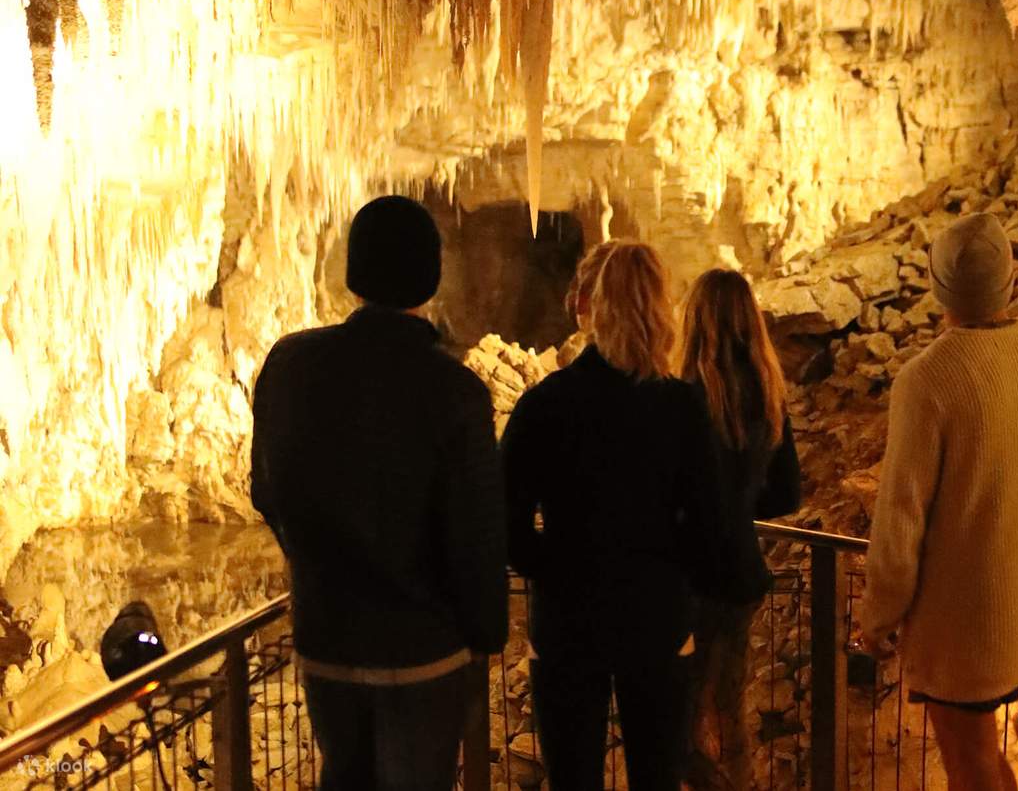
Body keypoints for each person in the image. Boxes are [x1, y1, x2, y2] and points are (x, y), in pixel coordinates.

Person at [251, 195, 508, 791]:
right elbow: (475, 533)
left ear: (354, 272)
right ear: (431, 276)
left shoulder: (291, 366)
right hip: (424, 653)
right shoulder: (455, 391)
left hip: (327, 643)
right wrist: (486, 633)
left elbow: (268, 491)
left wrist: (318, 567)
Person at [857, 212, 1018, 791]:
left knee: (970, 766)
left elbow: (901, 520)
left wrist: (878, 615)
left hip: (963, 625)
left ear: (938, 286)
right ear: (1009, 279)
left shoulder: (928, 380)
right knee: (982, 761)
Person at [501, 242, 724, 791]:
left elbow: (505, 523)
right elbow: (710, 527)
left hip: (568, 624)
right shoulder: (682, 409)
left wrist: (551, 566)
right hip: (658, 620)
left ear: (585, 306)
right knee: (658, 776)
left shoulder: (545, 405)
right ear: (658, 307)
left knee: (573, 777)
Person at [678, 269, 801, 791]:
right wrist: (741, 498)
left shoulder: (682, 398)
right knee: (729, 707)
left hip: (688, 579)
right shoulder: (768, 396)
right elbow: (787, 494)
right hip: (741, 575)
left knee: (680, 716)